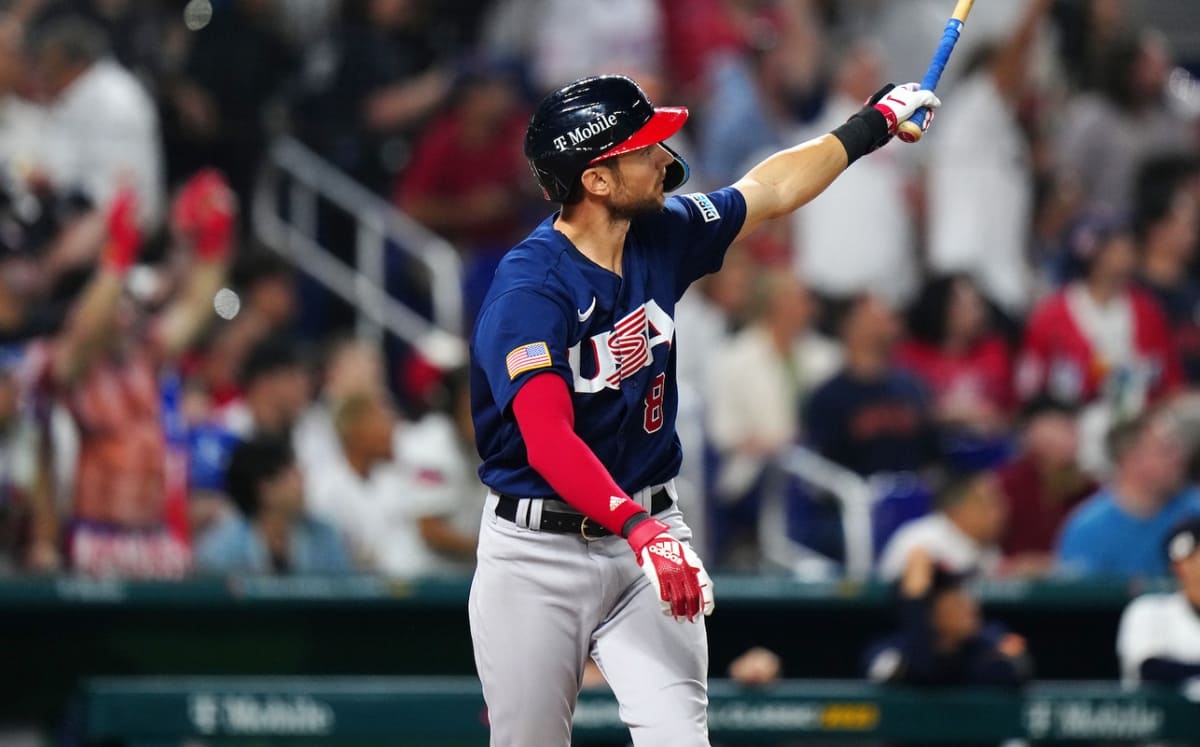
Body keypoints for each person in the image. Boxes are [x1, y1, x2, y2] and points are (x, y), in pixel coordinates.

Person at [468, 73, 940, 745]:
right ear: (597, 180)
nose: (666, 157)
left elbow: (769, 188)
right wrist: (640, 529)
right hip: (539, 553)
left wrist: (873, 124)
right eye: (645, 147)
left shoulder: (661, 231)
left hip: (647, 530)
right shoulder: (530, 290)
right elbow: (546, 438)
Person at [306, 387, 475, 576]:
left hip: (404, 587)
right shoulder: (327, 487)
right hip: (351, 592)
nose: (392, 427)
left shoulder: (392, 478)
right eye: (381, 419)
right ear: (356, 430)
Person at [802, 293, 939, 478]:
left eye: (887, 317)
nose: (887, 324)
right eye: (876, 318)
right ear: (849, 327)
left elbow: (930, 451)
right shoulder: (827, 398)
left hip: (910, 496)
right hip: (855, 500)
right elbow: (822, 468)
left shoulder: (911, 386)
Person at [1057, 413, 1200, 578]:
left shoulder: (1195, 511)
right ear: (1133, 461)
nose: (1179, 458)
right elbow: (1077, 598)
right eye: (1166, 451)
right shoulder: (1088, 530)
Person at [864, 549, 1032, 688]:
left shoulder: (991, 638)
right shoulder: (887, 650)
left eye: (965, 596)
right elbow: (923, 670)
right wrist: (915, 604)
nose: (969, 606)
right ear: (929, 612)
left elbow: (1016, 672)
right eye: (956, 600)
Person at [194, 435, 351, 575]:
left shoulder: (325, 536)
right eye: (292, 473)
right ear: (265, 489)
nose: (303, 480)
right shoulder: (221, 551)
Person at [897, 274, 1015, 435]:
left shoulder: (994, 351)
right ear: (943, 308)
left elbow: (1013, 409)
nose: (979, 313)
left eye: (979, 304)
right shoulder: (910, 356)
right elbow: (904, 412)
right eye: (970, 305)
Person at [877, 469, 1007, 581]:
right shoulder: (920, 540)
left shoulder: (988, 548)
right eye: (989, 505)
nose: (1001, 513)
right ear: (959, 510)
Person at [1117, 516, 1200, 687]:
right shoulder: (1148, 611)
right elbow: (1151, 670)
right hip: (1165, 714)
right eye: (1190, 559)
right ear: (1176, 567)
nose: (1194, 566)